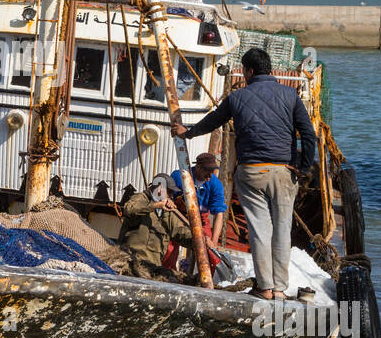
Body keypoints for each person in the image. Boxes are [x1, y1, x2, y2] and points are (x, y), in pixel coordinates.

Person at [171, 47, 317, 301]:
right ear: (269, 69)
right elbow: (308, 135)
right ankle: (281, 289)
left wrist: (188, 132)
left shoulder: (238, 97)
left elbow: (213, 121)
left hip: (251, 172)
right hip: (283, 171)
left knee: (260, 231)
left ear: (248, 71)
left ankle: (265, 288)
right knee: (282, 229)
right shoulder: (290, 95)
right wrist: (302, 168)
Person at [119, 184, 195, 280]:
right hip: (130, 262)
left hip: (152, 268)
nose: (171, 196)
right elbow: (129, 209)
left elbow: (181, 232)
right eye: (169, 192)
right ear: (160, 189)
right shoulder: (141, 198)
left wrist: (199, 240)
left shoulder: (168, 213)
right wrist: (156, 205)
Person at [168, 151, 226, 245]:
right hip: (177, 215)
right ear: (198, 167)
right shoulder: (179, 177)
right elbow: (166, 196)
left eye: (212, 171)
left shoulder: (216, 185)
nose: (210, 174)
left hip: (201, 220)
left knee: (207, 251)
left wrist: (213, 243)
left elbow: (219, 214)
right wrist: (169, 201)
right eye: (207, 170)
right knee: (169, 248)